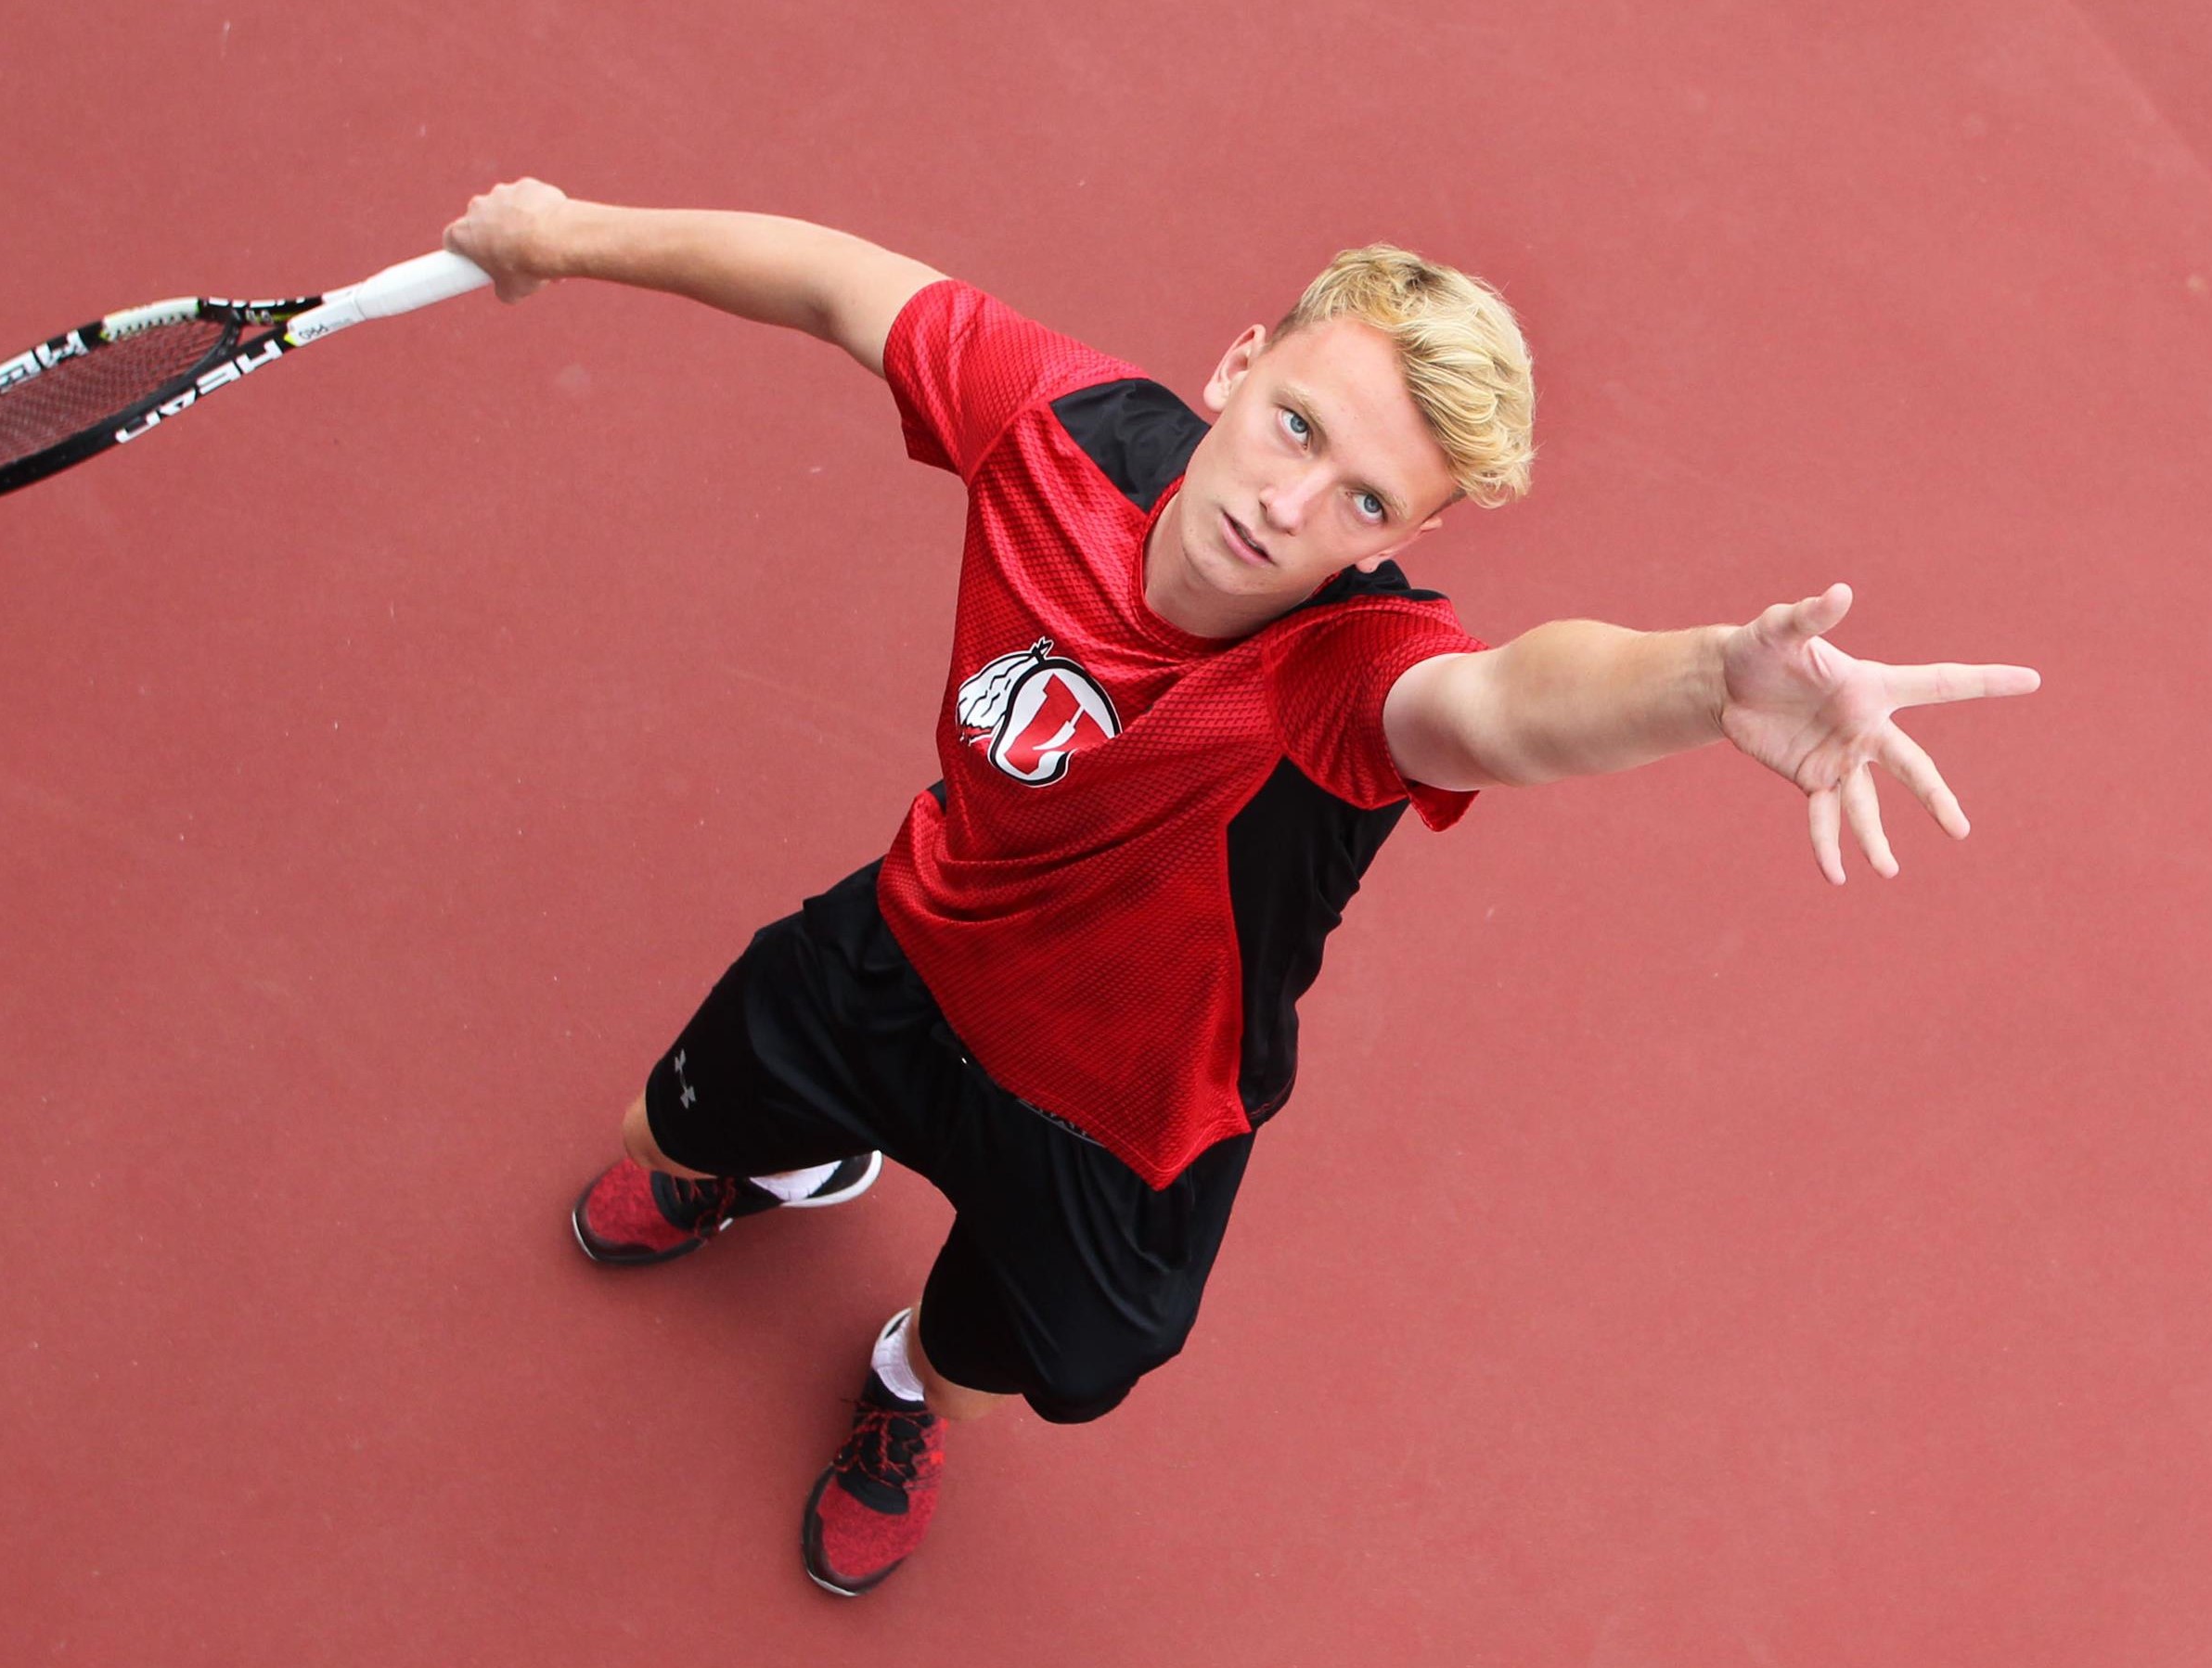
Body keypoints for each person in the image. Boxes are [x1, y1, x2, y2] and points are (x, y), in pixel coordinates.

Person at [444, 178, 2039, 1597]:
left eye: (1365, 501)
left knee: (1000, 1351)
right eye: (1295, 424)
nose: (1293, 501)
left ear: (1395, 544)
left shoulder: (1351, 677)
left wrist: (1704, 680)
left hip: (1114, 1122)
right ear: (1230, 368)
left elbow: (1508, 706)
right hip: (913, 944)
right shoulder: (1053, 426)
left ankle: (907, 1390)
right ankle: (791, 1166)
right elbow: (835, 280)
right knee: (668, 1128)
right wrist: (561, 235)